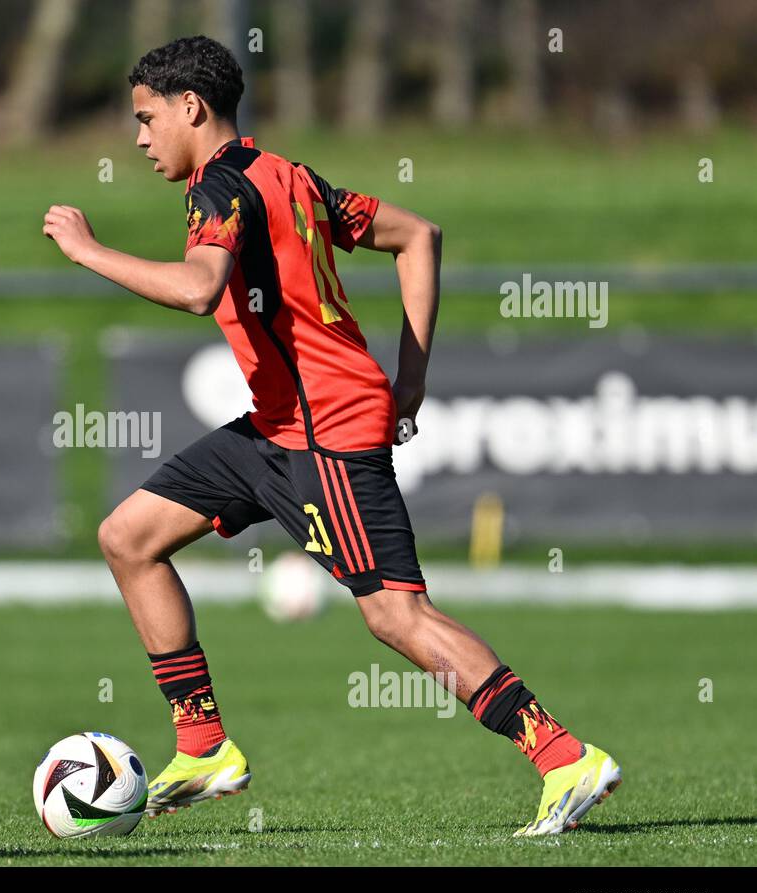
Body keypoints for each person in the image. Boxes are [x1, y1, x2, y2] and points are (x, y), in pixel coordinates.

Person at [42, 35, 620, 836]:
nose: (138, 139)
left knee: (394, 615)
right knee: (129, 537)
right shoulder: (291, 176)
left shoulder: (219, 190)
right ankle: (204, 743)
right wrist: (409, 378)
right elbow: (420, 235)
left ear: (190, 108)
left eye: (145, 119)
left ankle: (562, 755)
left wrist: (88, 250)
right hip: (277, 428)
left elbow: (198, 288)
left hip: (325, 434)